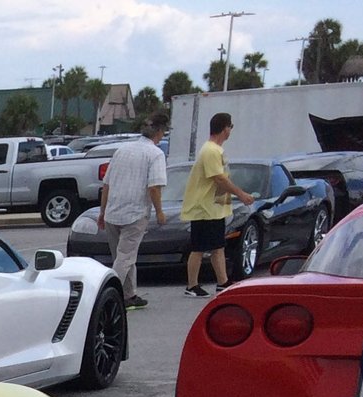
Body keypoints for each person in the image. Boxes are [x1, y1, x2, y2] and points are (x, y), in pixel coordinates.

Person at [99, 113, 169, 309]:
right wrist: (160, 212)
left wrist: (102, 212)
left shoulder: (122, 150)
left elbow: (107, 184)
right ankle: (104, 295)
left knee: (123, 257)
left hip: (113, 211)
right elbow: (154, 187)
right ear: (159, 133)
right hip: (135, 213)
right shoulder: (155, 154)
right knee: (125, 258)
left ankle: (129, 295)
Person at [182, 112, 255, 297]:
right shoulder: (210, 151)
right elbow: (219, 179)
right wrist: (241, 194)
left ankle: (223, 281)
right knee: (199, 247)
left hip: (214, 208)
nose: (230, 130)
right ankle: (192, 285)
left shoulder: (216, 150)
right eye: (230, 126)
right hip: (204, 208)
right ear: (224, 128)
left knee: (217, 246)